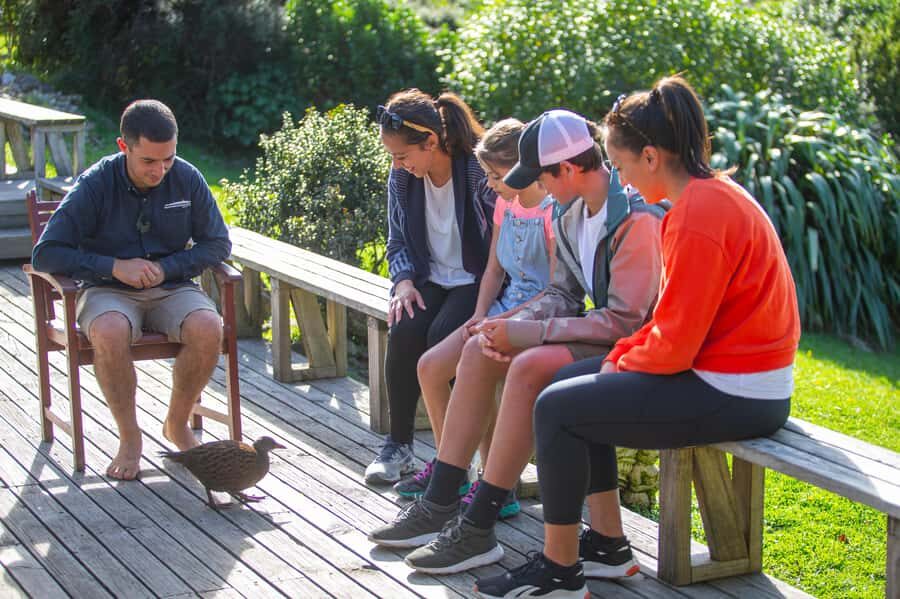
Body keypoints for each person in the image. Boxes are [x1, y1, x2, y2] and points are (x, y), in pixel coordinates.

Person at [474, 76, 801, 599]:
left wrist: (618, 363)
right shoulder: (706, 198)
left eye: (621, 165)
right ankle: (607, 546)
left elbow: (674, 346)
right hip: (733, 379)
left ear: (650, 156)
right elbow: (670, 324)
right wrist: (620, 359)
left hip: (739, 392)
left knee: (559, 408)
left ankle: (559, 574)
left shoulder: (697, 213)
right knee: (573, 385)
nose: (620, 176)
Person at [369, 110, 664, 576]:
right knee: (476, 348)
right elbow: (562, 294)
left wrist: (528, 332)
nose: (538, 190)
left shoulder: (635, 219)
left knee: (528, 368)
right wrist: (504, 324)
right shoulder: (570, 213)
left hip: (639, 347)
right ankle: (443, 499)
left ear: (566, 169)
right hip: (598, 335)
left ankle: (480, 521)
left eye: (540, 177)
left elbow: (624, 322)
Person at [32, 99, 231, 481]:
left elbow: (217, 244)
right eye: (149, 162)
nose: (160, 170)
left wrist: (167, 267)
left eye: (168, 159)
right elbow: (46, 254)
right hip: (106, 290)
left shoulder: (187, 177)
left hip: (172, 287)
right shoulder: (95, 183)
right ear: (124, 147)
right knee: (109, 332)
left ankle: (177, 424)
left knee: (209, 326)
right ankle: (129, 437)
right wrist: (113, 267)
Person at [394, 119, 556, 514]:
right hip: (499, 309)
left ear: (525, 170)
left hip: (539, 318)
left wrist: (502, 323)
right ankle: (454, 470)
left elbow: (556, 290)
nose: (489, 184)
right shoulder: (505, 204)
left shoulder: (553, 212)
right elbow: (494, 270)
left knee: (476, 365)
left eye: (496, 176)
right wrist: (480, 314)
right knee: (431, 367)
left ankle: (497, 486)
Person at [364, 89, 497, 485]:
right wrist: (402, 281)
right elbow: (397, 241)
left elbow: (498, 245)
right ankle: (399, 445)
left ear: (432, 142)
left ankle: (457, 458)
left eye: (402, 156)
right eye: (392, 157)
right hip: (427, 277)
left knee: (442, 337)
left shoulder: (476, 172)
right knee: (405, 327)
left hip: (476, 279)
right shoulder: (402, 179)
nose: (396, 165)